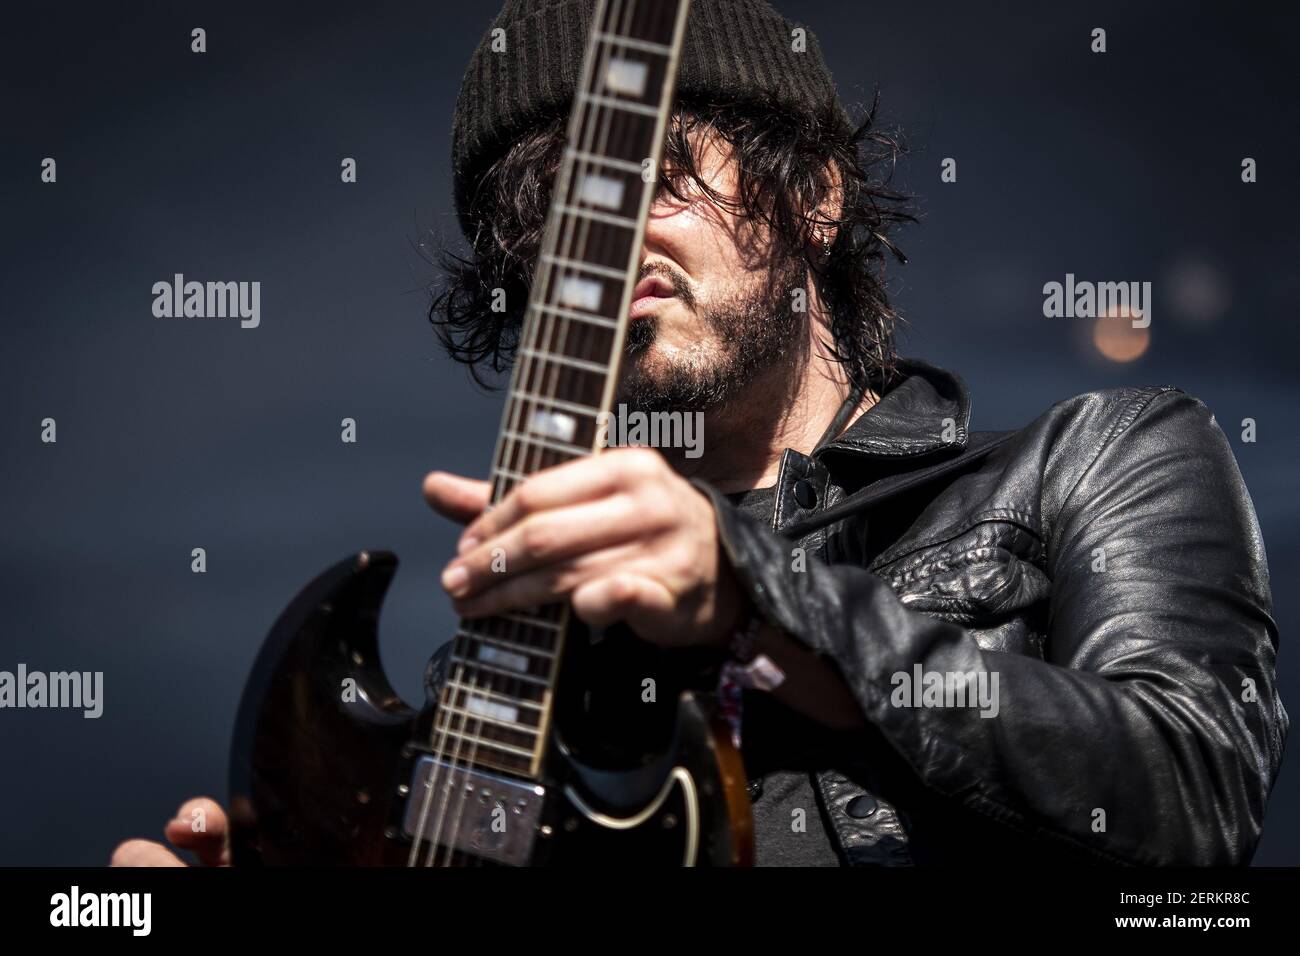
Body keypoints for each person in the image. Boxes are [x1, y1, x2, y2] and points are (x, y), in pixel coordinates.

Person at [112, 0, 1287, 867]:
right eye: (543, 224)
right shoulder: (514, 658)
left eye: (651, 183)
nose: (595, 248)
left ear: (815, 195)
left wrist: (763, 599)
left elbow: (1190, 793)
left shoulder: (1101, 454)